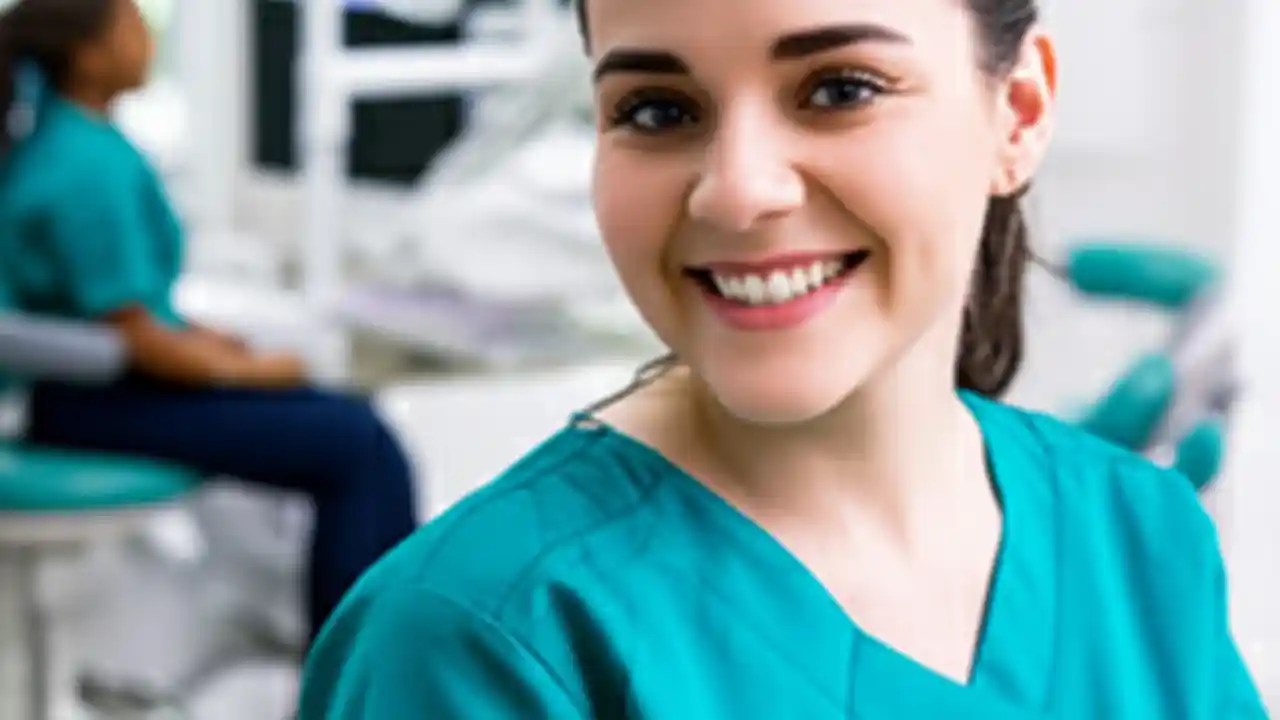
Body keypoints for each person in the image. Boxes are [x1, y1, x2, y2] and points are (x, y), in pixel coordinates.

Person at [299, 0, 1267, 716]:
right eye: (655, 110)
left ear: (1013, 115)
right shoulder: (484, 641)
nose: (735, 191)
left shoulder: (1139, 539)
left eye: (838, 89)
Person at [0, 0, 418, 643]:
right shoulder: (87, 164)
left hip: (87, 393)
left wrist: (205, 342)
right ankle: (362, 687)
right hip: (89, 402)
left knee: (347, 425)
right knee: (358, 445)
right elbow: (131, 338)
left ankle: (366, 672)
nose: (146, 37)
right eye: (131, 23)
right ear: (88, 55)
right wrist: (253, 370)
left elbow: (115, 312)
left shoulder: (68, 142)